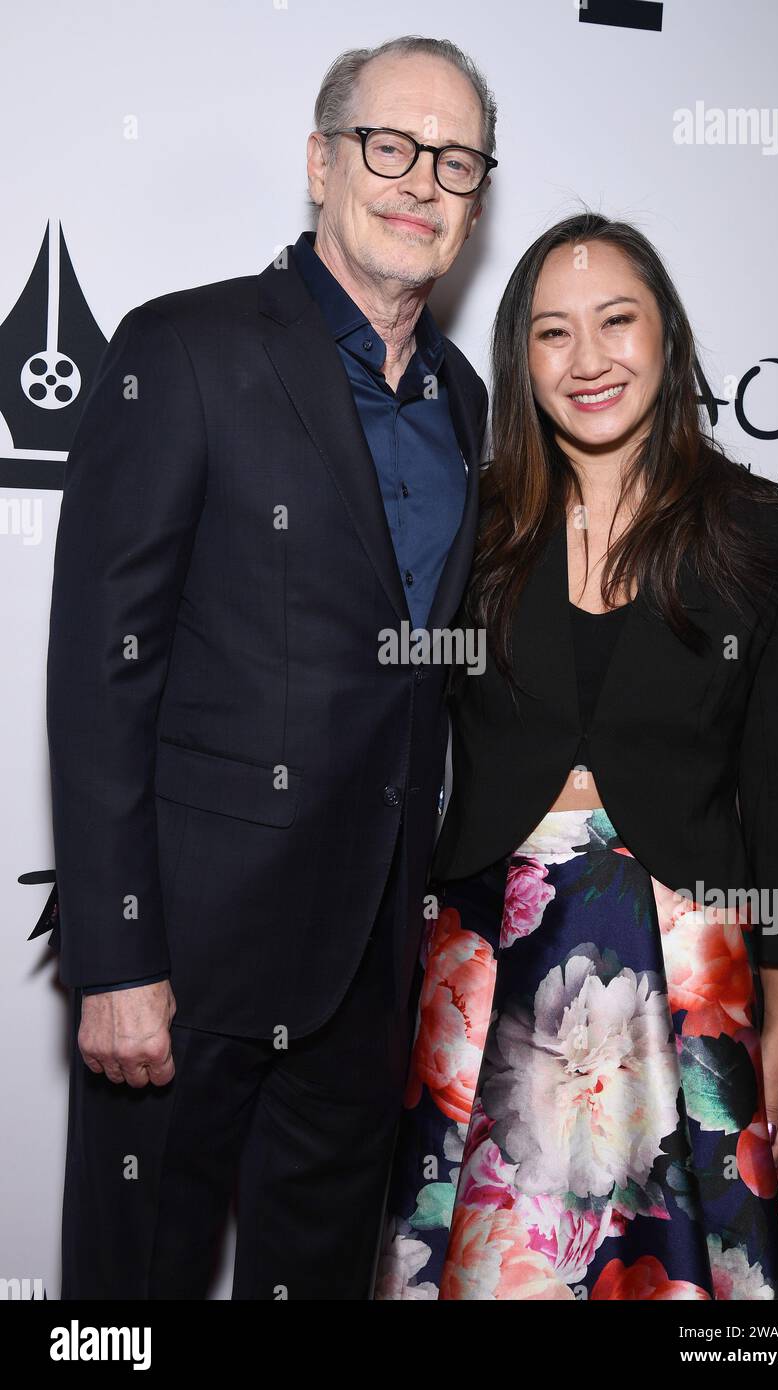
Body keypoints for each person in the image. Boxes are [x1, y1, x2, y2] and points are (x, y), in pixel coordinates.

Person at [40, 35, 496, 1300]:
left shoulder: (466, 401)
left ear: (476, 197)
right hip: (185, 958)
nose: (419, 181)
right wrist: (117, 956)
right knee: (127, 1300)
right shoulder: (182, 348)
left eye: (454, 161)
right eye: (388, 145)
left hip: (366, 965)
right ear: (321, 161)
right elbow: (98, 673)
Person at [374, 212, 778, 1301]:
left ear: (667, 336)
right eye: (553, 333)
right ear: (521, 359)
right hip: (487, 958)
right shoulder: (474, 524)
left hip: (690, 966)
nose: (588, 359)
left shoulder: (760, 533)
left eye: (615, 321)